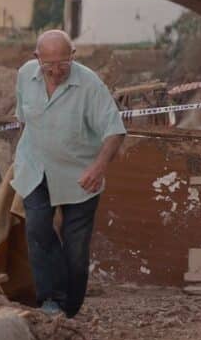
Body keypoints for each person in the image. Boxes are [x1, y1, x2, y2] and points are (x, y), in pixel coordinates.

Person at [12, 30, 126, 317]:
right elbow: (24, 122)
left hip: (80, 176)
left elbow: (114, 131)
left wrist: (98, 168)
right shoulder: (26, 76)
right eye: (48, 64)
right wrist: (21, 159)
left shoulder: (89, 85)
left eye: (62, 63)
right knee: (37, 230)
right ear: (36, 58)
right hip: (36, 169)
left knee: (75, 250)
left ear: (73, 56)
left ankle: (70, 308)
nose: (55, 71)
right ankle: (49, 299)